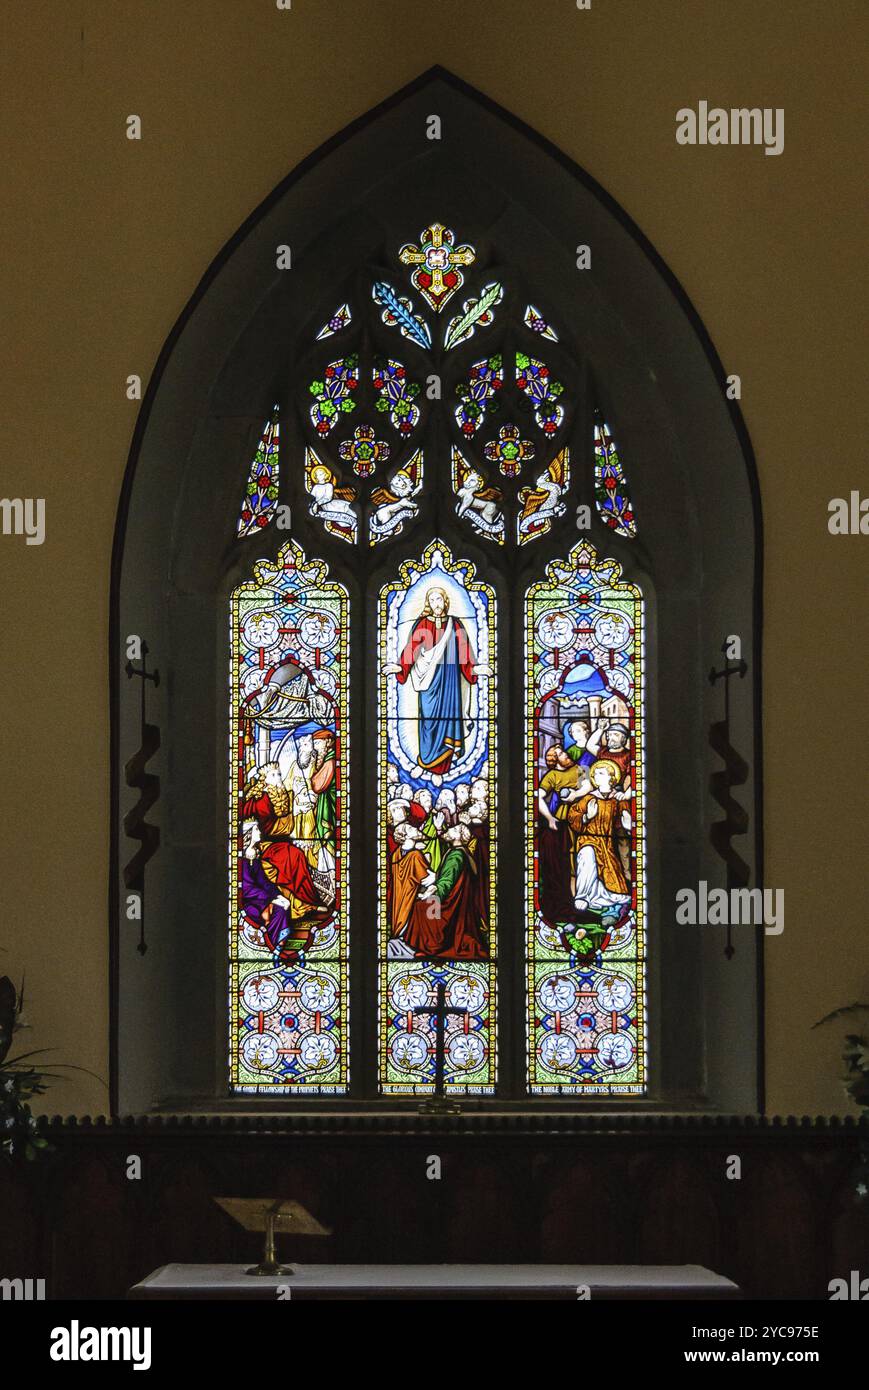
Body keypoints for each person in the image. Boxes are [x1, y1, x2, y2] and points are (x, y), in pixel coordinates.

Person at [384, 587, 490, 779]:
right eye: (432, 600)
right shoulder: (423, 624)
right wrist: (400, 667)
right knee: (428, 720)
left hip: (450, 681)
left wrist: (475, 668)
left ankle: (444, 765)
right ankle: (426, 761)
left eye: (439, 599)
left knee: (449, 719)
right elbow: (412, 648)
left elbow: (465, 652)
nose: (436, 604)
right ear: (428, 604)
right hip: (429, 681)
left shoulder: (454, 625)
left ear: (445, 601)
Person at [567, 759, 632, 916]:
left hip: (607, 843)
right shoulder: (588, 798)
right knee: (587, 854)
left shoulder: (617, 800)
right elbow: (572, 816)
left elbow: (623, 822)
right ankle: (582, 896)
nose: (596, 775)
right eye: (595, 773)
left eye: (600, 773)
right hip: (587, 840)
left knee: (619, 893)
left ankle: (602, 898)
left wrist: (627, 823)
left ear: (611, 777)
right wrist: (586, 817)